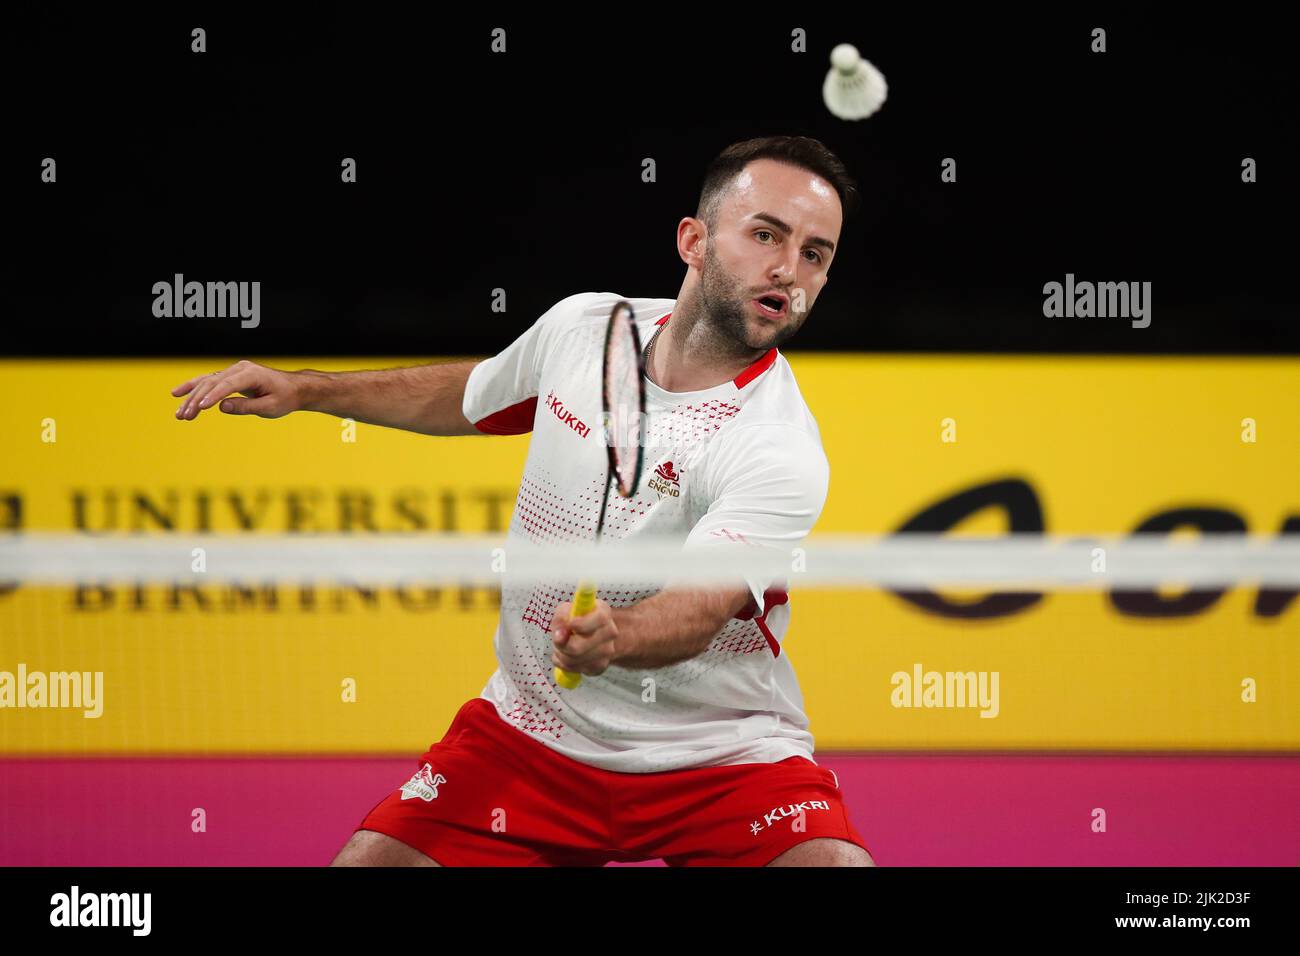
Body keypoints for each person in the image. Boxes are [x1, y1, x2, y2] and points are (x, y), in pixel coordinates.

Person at [172, 135, 873, 867]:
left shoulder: (777, 444)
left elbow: (703, 605)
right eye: (767, 234)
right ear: (693, 240)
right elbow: (472, 397)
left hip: (722, 759)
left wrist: (618, 637)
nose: (788, 271)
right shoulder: (584, 331)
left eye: (816, 255)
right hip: (528, 739)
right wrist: (309, 389)